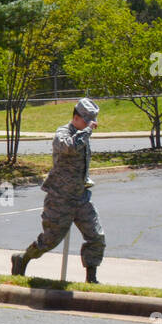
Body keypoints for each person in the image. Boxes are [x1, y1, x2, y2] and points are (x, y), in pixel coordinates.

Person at [10, 98, 106, 283]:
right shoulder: (62, 133)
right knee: (50, 240)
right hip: (60, 199)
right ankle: (22, 259)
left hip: (81, 197)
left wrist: (85, 131)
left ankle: (91, 278)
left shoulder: (82, 133)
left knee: (96, 236)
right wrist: (86, 131)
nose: (90, 126)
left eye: (91, 123)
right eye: (87, 121)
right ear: (76, 117)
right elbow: (70, 147)